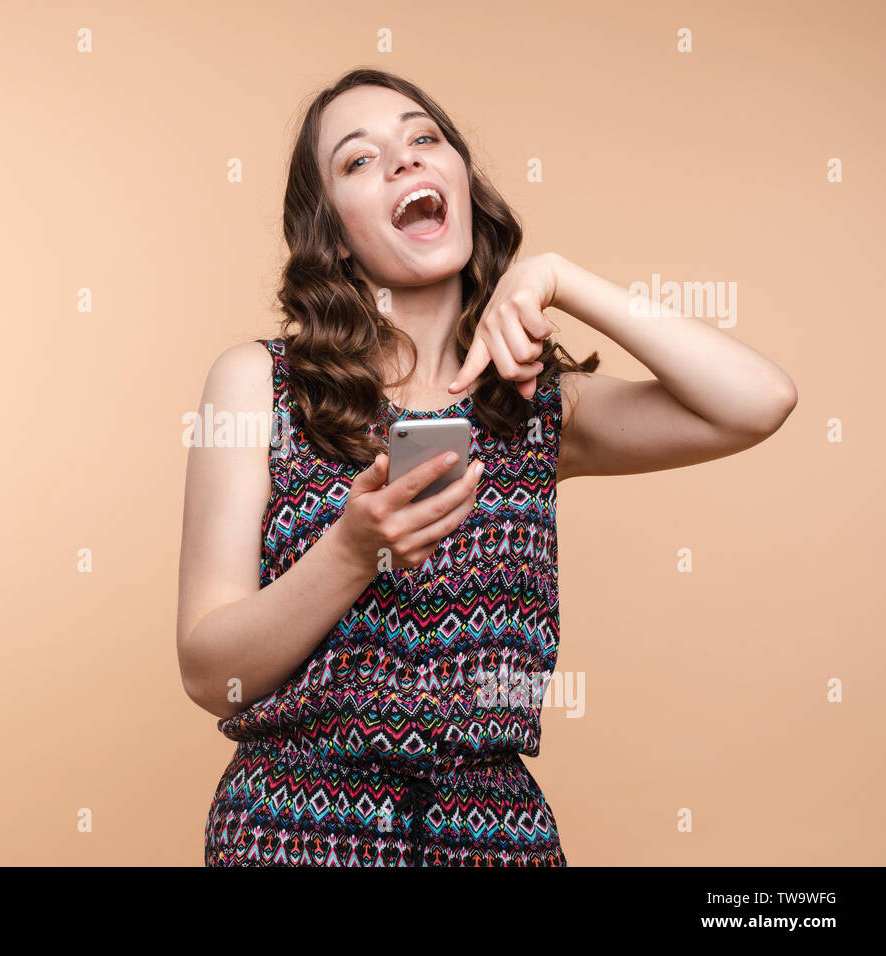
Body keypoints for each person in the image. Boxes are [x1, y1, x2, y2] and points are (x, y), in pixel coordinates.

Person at [176, 67, 797, 866]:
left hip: (495, 836)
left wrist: (559, 278)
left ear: (462, 183)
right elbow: (207, 672)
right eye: (359, 160)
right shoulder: (261, 383)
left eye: (424, 139)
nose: (404, 161)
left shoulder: (539, 405)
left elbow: (758, 400)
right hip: (290, 828)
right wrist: (352, 551)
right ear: (332, 232)